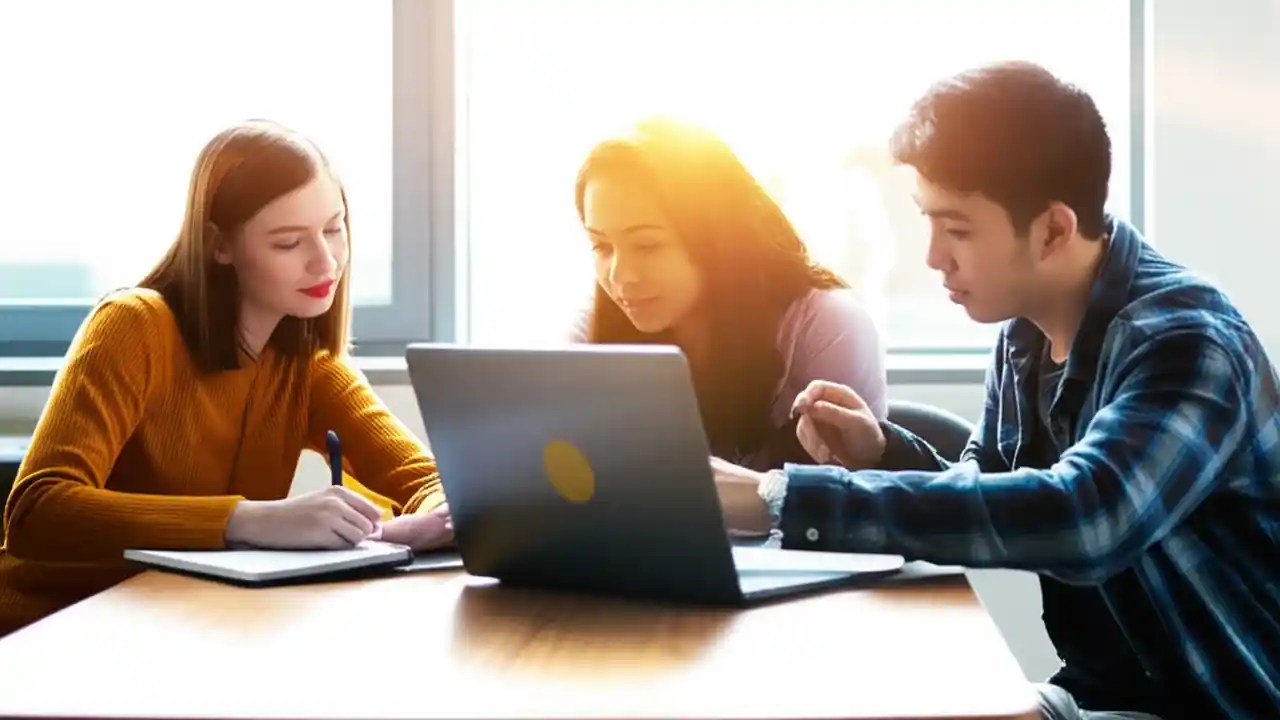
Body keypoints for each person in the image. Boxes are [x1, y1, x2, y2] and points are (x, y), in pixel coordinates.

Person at [711, 62, 1280, 719]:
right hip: (1099, 697)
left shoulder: (1187, 341)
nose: (932, 258)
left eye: (957, 230)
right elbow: (993, 489)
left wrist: (778, 497)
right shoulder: (1024, 333)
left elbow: (1084, 518)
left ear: (1054, 230)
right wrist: (879, 453)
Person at [0, 120, 453, 637]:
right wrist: (254, 522)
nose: (326, 261)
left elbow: (430, 481)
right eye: (288, 243)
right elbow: (38, 513)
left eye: (334, 227)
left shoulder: (307, 365)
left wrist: (395, 532)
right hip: (45, 636)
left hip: (181, 631)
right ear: (219, 245)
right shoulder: (135, 326)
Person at [571, 117, 887, 470]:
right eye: (601, 246)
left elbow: (847, 504)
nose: (620, 276)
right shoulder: (594, 323)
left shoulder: (827, 325)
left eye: (647, 245)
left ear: (714, 238)